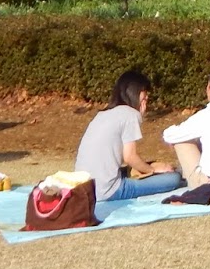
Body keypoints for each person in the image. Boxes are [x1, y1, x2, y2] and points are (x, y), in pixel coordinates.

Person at [74, 71, 182, 202]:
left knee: (152, 167)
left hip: (85, 187)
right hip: (107, 190)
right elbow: (130, 157)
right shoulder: (130, 114)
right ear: (134, 92)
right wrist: (153, 170)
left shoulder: (103, 114)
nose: (146, 97)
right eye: (144, 93)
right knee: (173, 178)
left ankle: (157, 169)